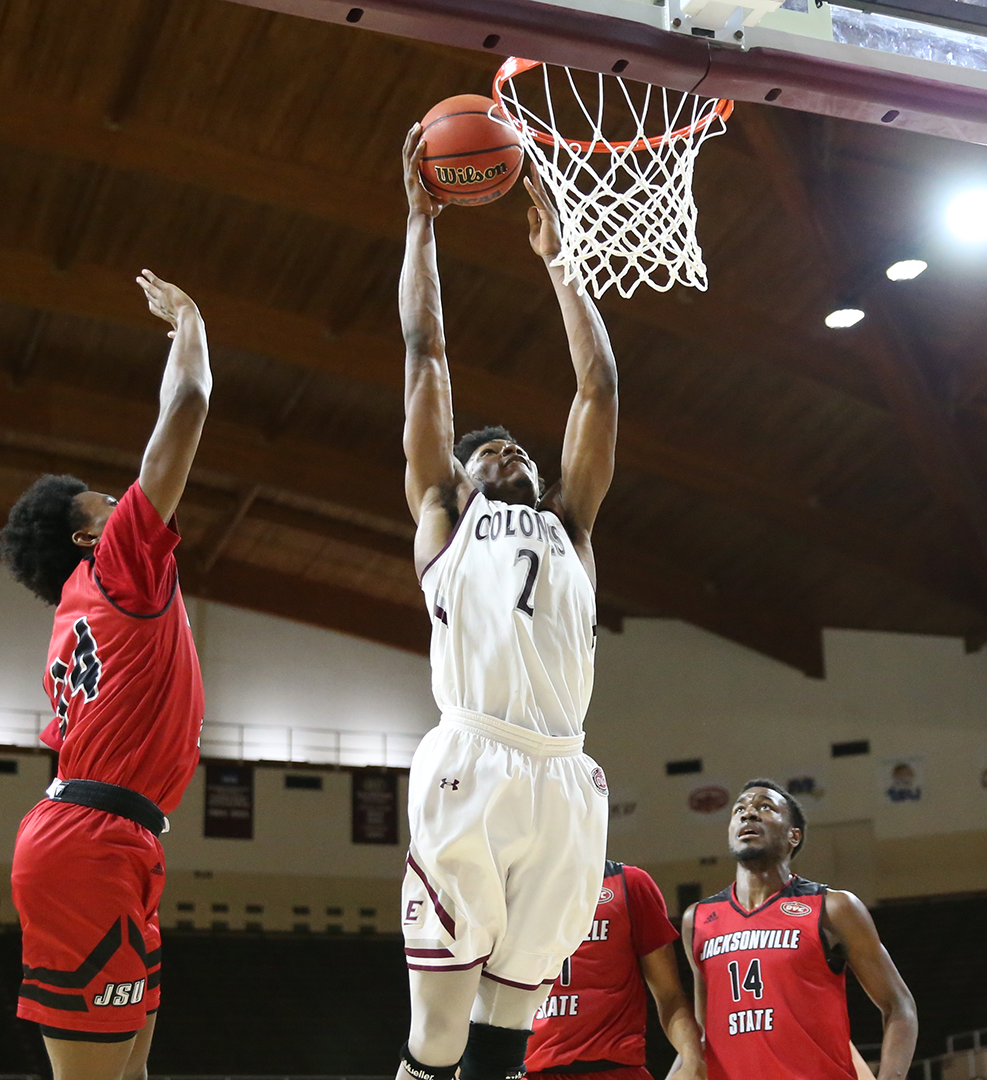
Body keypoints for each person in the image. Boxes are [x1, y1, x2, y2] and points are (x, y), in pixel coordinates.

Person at [395, 129, 621, 1080]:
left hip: (567, 776)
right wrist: (419, 222)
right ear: (461, 473)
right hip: (472, 758)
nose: (513, 455)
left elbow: (599, 386)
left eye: (522, 450)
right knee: (440, 1037)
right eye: (492, 453)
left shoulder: (571, 523)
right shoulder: (445, 518)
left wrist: (562, 257)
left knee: (508, 1036)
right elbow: (425, 352)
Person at [0, 271, 211, 1080]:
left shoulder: (76, 610)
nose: (125, 500)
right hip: (90, 845)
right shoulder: (122, 564)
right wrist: (189, 322)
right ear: (92, 538)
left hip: (111, 840)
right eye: (106, 502)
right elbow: (186, 404)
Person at [683, 781, 918, 1080]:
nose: (749, 814)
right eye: (739, 809)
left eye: (764, 807)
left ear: (794, 835)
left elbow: (900, 1007)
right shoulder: (698, 919)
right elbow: (704, 1032)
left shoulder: (833, 908)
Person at [525, 861, 704, 1080]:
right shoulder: (511, 888)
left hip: (615, 1069)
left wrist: (693, 1063)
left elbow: (670, 996)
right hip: (529, 1070)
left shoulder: (629, 883)